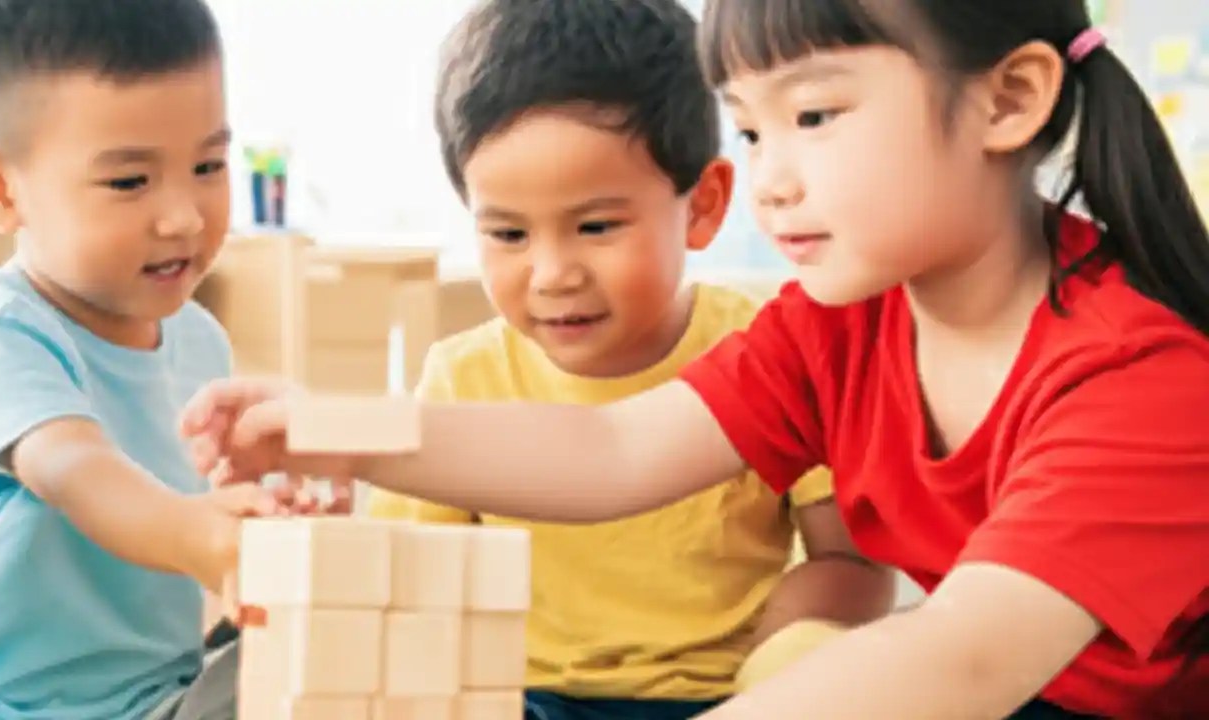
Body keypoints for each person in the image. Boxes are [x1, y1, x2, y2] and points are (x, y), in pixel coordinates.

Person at [182, 1, 1209, 718]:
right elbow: (611, 449)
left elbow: (963, 658)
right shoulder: (837, 325)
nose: (770, 181)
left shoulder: (1141, 376)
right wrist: (328, 428)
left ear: (1007, 100)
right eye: (753, 130)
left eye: (812, 116)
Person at [364, 1, 894, 717]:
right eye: (509, 234)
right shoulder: (462, 378)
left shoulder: (766, 354)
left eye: (595, 226)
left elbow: (850, 562)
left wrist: (784, 658)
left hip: (722, 700)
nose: (553, 272)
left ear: (702, 206)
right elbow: (407, 589)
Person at [0, 1, 287, 718]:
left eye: (207, 165)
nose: (183, 216)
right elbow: (75, 469)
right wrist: (201, 536)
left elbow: (210, 529)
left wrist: (270, 509)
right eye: (130, 181)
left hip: (156, 697)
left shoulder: (197, 340)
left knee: (335, 666)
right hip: (5, 708)